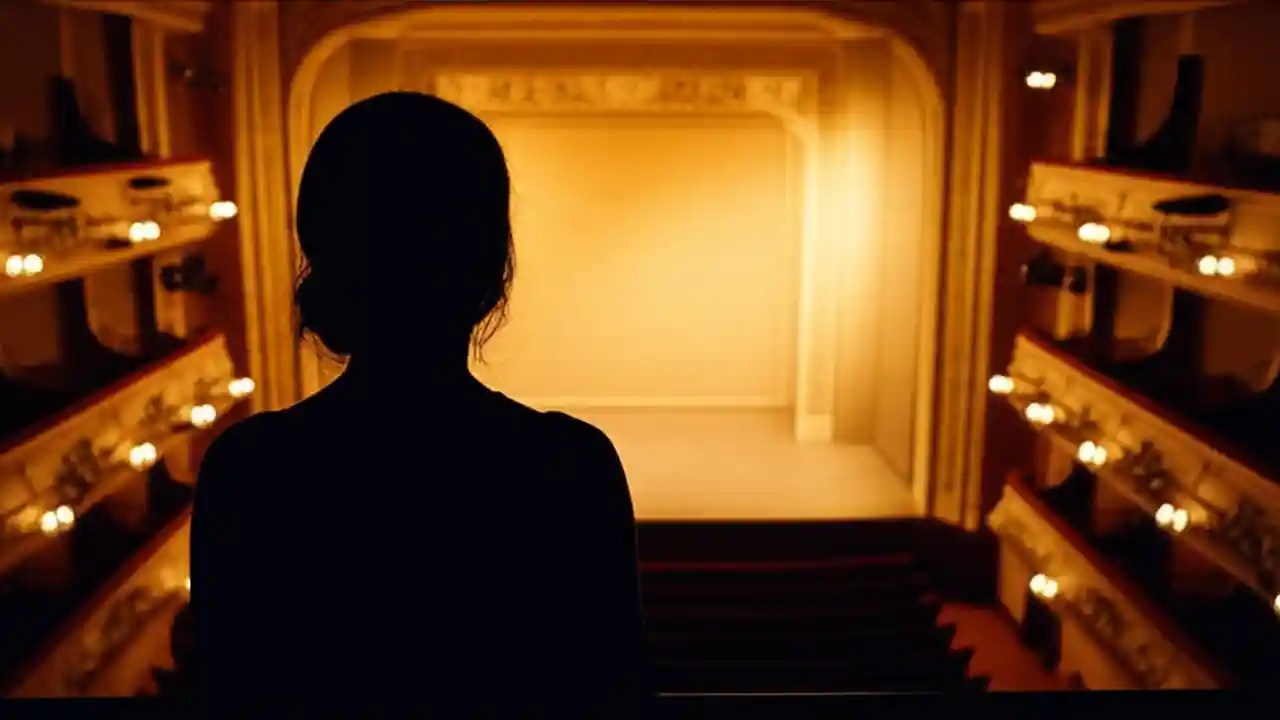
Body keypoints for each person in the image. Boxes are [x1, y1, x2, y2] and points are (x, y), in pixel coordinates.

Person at [190, 92, 653, 712]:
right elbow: (613, 692)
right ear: (491, 276)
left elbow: (231, 691)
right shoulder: (568, 467)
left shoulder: (249, 468)